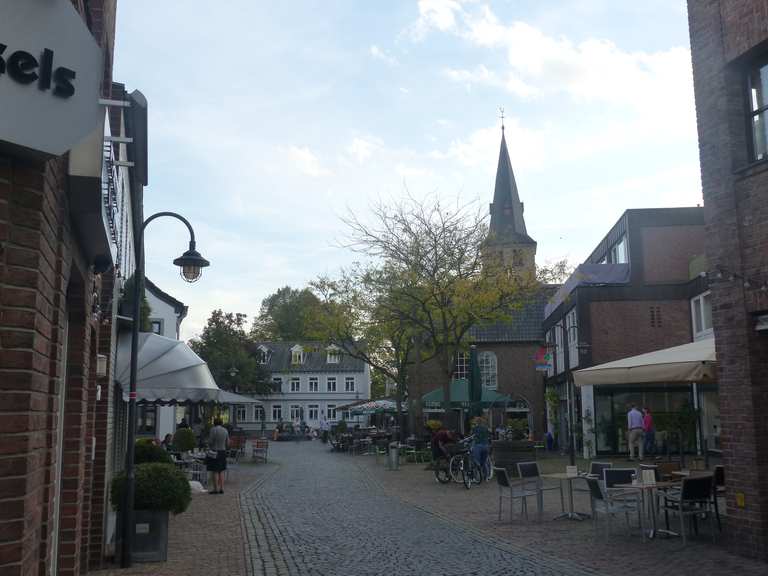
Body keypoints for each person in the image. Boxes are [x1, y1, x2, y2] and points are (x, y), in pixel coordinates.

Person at [206, 418, 229, 494]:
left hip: (214, 452)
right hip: (223, 451)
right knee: (221, 471)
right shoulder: (225, 430)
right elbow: (228, 443)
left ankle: (215, 489)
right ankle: (222, 488)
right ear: (221, 423)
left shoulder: (213, 430)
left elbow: (211, 441)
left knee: (215, 471)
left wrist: (207, 443)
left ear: (214, 423)